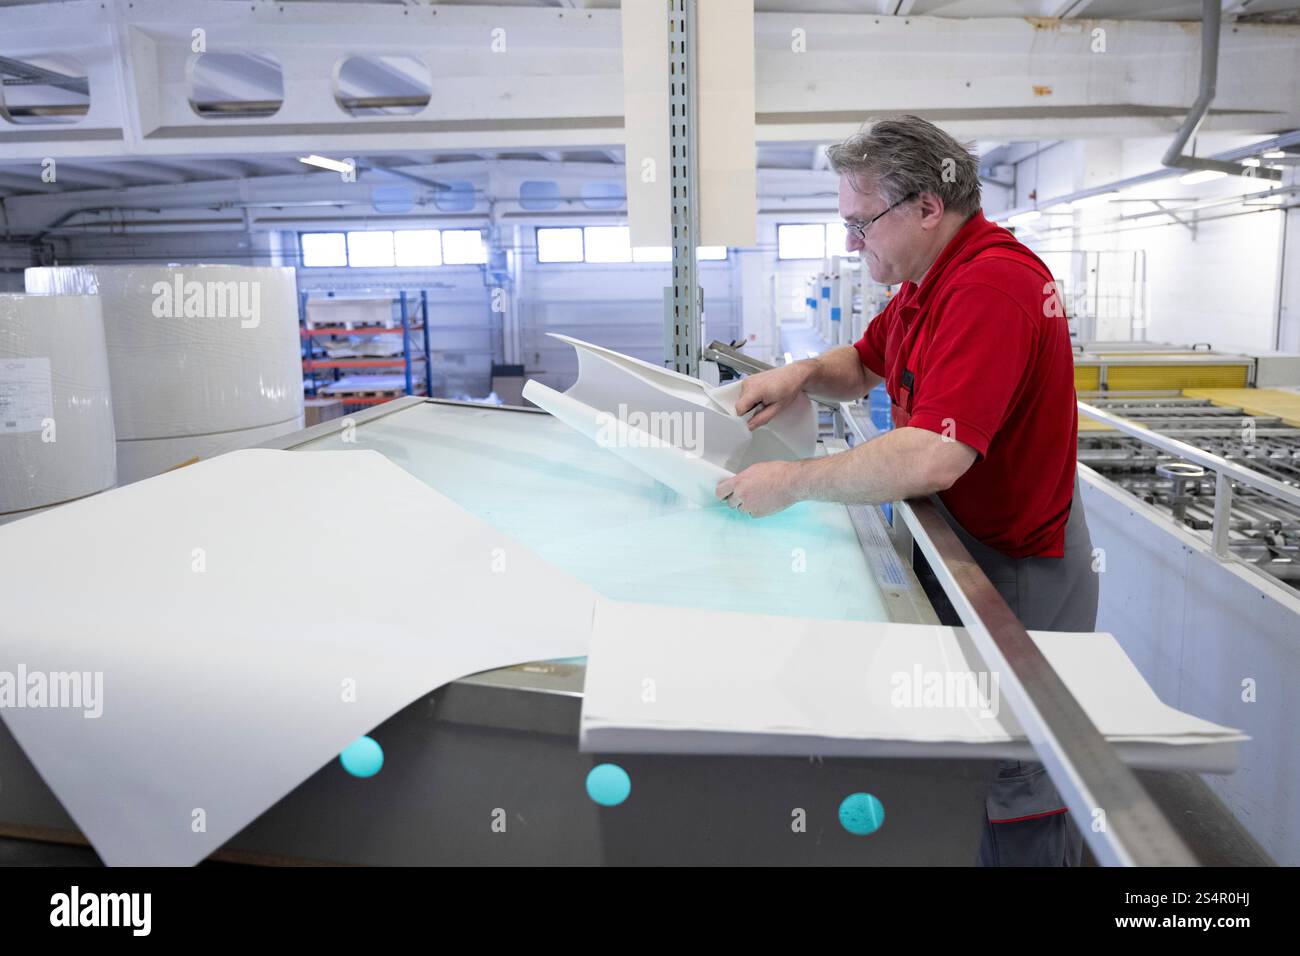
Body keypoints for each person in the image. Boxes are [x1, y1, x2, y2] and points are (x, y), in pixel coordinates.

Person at [715, 114, 1098, 866]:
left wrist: (792, 482)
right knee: (970, 755)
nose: (853, 244)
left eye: (863, 224)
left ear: (928, 206)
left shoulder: (991, 285)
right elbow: (861, 362)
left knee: (1013, 770)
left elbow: (930, 457)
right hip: (968, 539)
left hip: (1015, 567)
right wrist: (798, 373)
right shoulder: (932, 279)